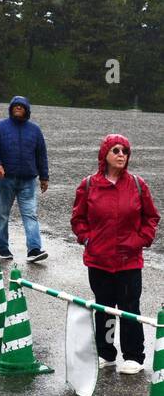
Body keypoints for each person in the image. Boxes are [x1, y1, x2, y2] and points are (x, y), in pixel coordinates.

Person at [70, 134, 159, 374]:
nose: (122, 155)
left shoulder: (138, 185)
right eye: (116, 150)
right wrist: (87, 239)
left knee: (130, 308)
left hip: (129, 260)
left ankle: (133, 357)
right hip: (99, 260)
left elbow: (151, 217)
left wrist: (141, 239)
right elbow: (78, 218)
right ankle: (106, 353)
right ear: (105, 155)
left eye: (126, 151)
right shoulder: (89, 185)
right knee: (104, 307)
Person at [0, 95, 49, 263]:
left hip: (28, 181)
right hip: (5, 179)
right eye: (15, 106)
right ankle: (3, 248)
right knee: (2, 215)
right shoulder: (0, 127)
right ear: (10, 109)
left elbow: (41, 154)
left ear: (27, 110)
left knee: (30, 215)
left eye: (21, 106)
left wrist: (44, 177)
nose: (18, 108)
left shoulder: (35, 130)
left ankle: (34, 250)